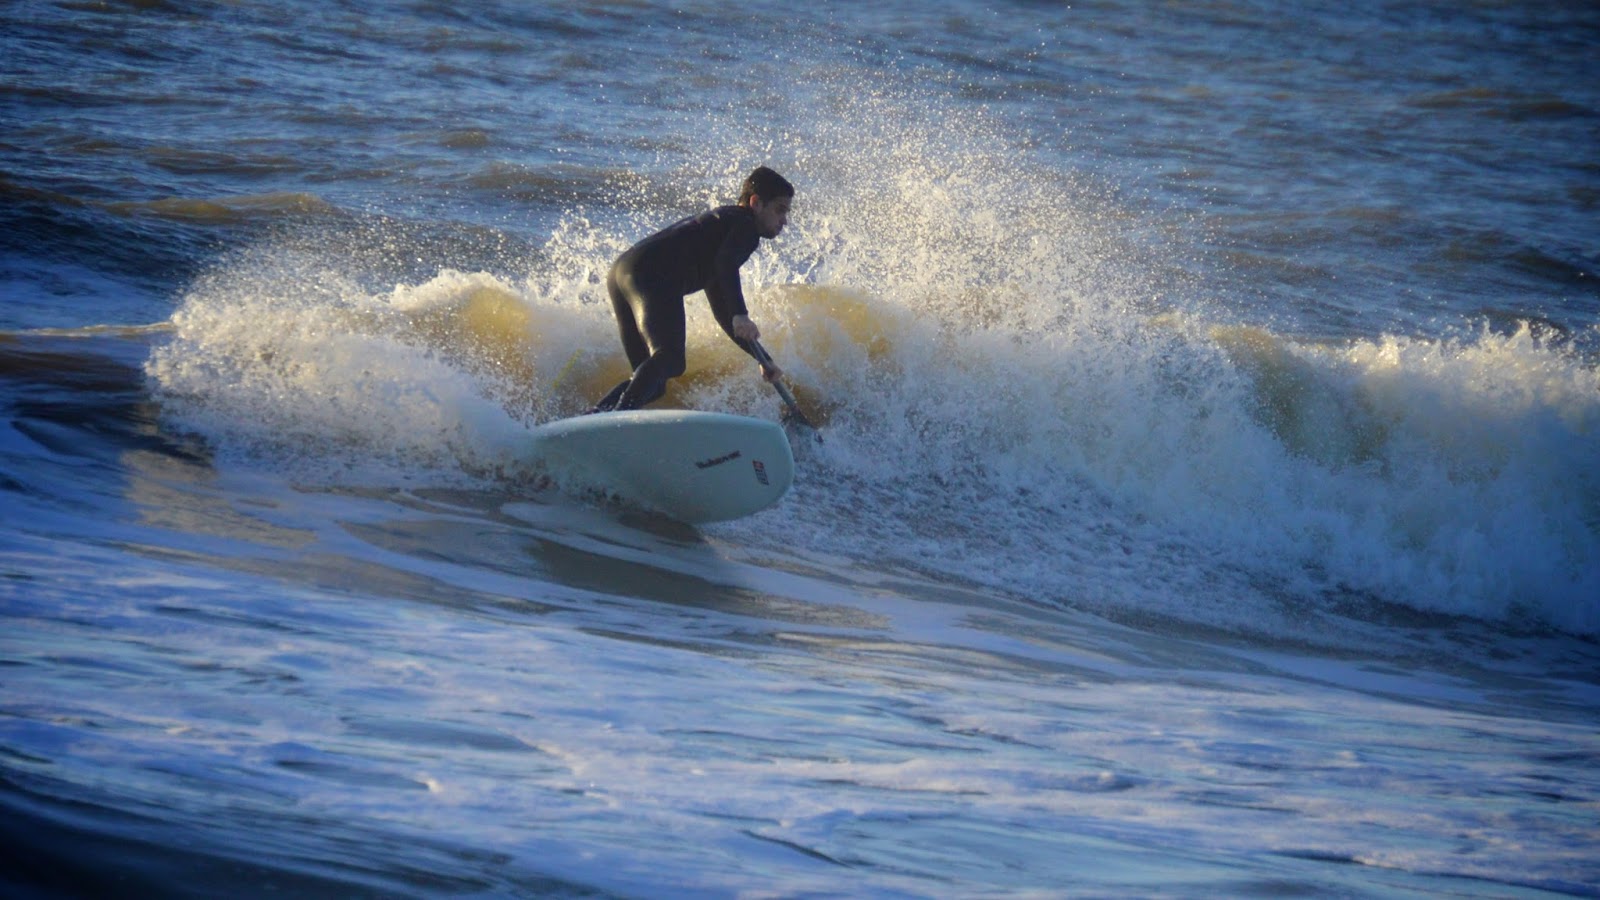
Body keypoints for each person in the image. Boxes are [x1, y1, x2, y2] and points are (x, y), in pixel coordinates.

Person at [589, 166, 793, 413]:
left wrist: (763, 358)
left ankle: (596, 416)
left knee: (652, 382)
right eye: (780, 210)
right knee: (671, 359)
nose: (784, 220)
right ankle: (619, 419)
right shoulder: (745, 226)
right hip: (651, 274)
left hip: (622, 272)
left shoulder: (721, 229)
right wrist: (741, 314)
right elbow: (726, 266)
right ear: (756, 203)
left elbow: (721, 305)